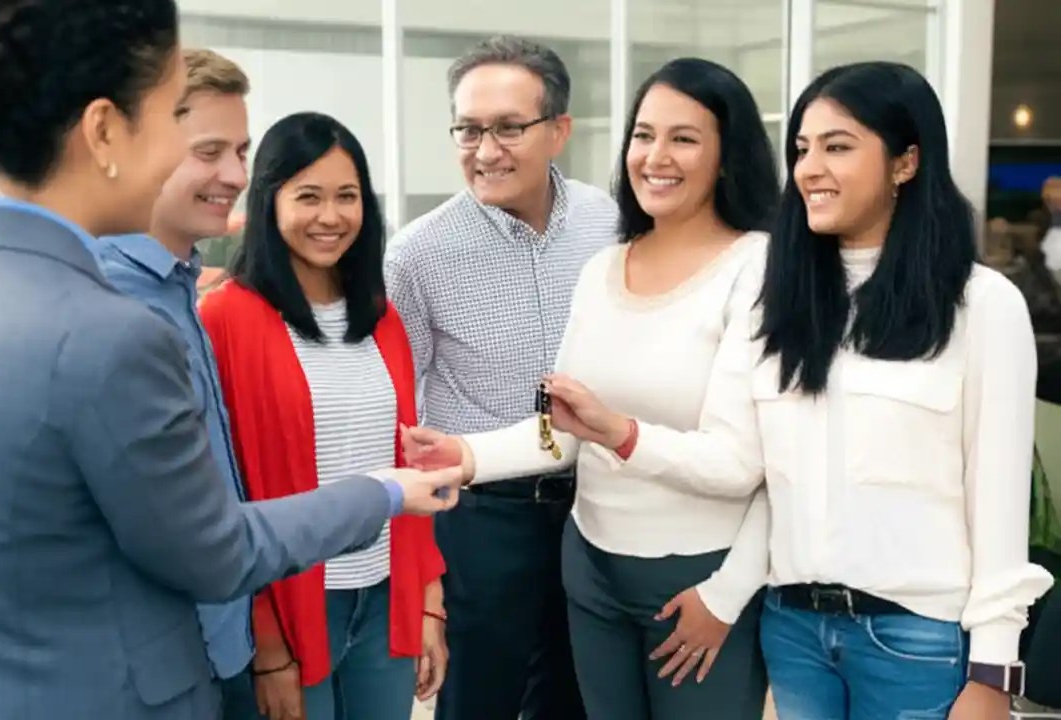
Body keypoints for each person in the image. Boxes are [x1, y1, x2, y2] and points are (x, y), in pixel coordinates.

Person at [0, 4, 464, 719]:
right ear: (104, 131)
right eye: (176, 128)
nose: (222, 172)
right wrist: (385, 493)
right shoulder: (107, 330)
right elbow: (214, 552)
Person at [431, 61, 1053, 720]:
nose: (810, 168)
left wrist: (993, 670)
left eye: (837, 147)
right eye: (803, 149)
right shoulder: (798, 294)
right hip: (795, 629)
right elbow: (776, 476)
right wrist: (466, 455)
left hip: (913, 635)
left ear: (905, 162)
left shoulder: (981, 305)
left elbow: (997, 507)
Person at [406, 57, 778, 719]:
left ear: (727, 156)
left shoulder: (758, 266)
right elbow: (562, 430)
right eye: (643, 135)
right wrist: (465, 456)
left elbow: (750, 465)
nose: (655, 157)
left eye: (683, 138)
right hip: (587, 568)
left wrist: (726, 595)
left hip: (696, 578)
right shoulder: (606, 262)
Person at [384, 34, 617, 720]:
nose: (486, 151)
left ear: (559, 132)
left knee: (576, 699)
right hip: (482, 521)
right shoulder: (416, 256)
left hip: (594, 509)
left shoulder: (610, 222)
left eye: (509, 128)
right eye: (468, 129)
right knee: (478, 703)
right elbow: (400, 417)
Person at [199, 112, 448, 720]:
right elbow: (225, 499)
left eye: (347, 196)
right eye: (308, 196)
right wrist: (267, 648)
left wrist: (427, 600)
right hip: (288, 609)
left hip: (385, 597)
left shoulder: (380, 317)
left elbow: (405, 463)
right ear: (269, 200)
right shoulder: (225, 318)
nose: (330, 217)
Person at [93, 48, 258, 717]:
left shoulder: (181, 287)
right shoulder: (104, 302)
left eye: (242, 151)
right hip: (165, 674)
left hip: (224, 645)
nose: (236, 175)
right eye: (210, 151)